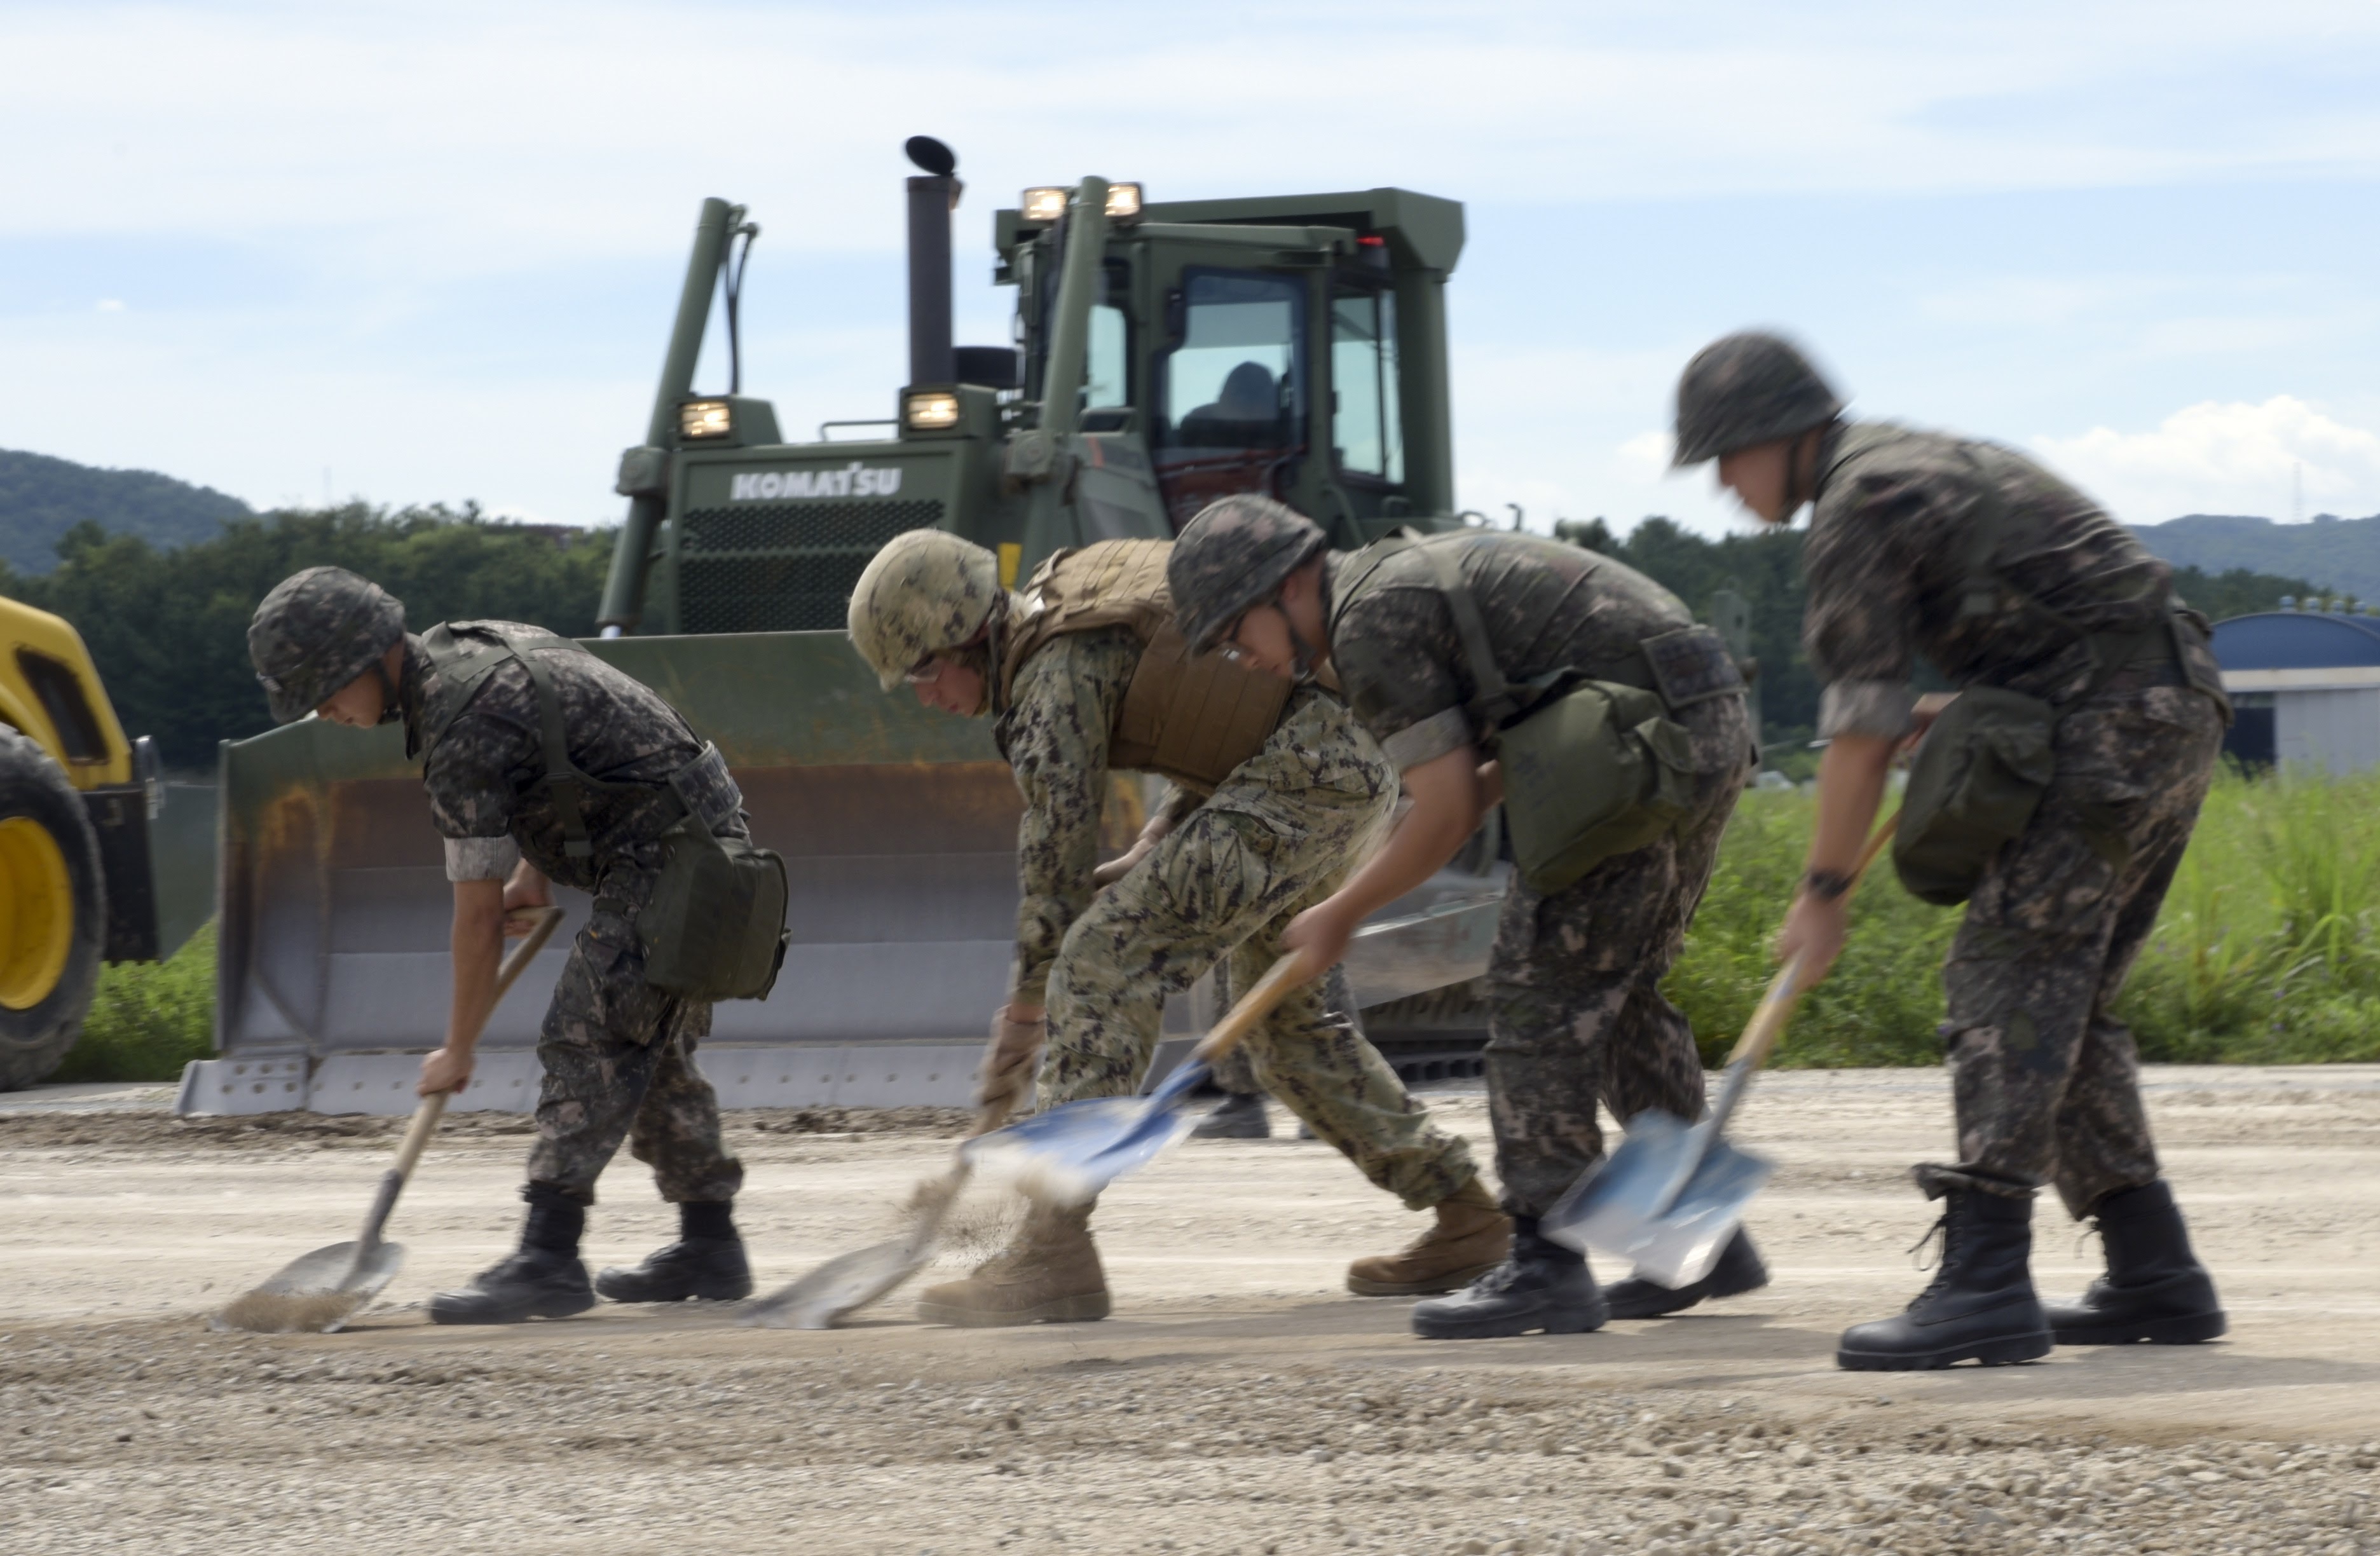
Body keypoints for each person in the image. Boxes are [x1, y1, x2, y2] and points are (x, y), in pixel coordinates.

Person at [1672, 330, 2231, 1370]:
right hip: (2172, 696)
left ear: (1773, 436)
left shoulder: (1854, 504)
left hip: (2106, 718)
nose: (1718, 482)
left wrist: (1823, 890)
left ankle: (1982, 1282)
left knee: (2004, 979)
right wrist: (1970, 702)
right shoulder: (1908, 459)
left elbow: (1856, 729)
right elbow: (2057, 607)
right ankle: (2152, 1266)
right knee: (2066, 998)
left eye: (1722, 456)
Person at [845, 530, 1504, 1325]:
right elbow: (1222, 702)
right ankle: (1467, 1215)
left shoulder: (1049, 678)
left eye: (922, 670)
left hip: (1308, 775)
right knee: (1287, 1031)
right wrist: (1161, 841)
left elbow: (1055, 865)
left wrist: (1024, 1012)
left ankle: (1053, 1251)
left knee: (1100, 962)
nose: (923, 695)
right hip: (1334, 762)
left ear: (964, 635)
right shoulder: (1069, 604)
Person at [1167, 496, 1762, 1340]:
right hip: (1697, 721)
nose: (1244, 659)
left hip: (1639, 734)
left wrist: (1340, 912)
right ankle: (1704, 1238)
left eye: (1238, 633)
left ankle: (1547, 1265)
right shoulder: (1386, 591)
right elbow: (1483, 779)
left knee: (1535, 1002)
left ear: (1293, 584)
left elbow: (1446, 813)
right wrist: (1359, 890)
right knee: (1615, 994)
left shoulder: (1368, 625)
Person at [247, 568, 757, 1324]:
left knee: (587, 1033)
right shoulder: (475, 648)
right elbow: (569, 756)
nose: (326, 713)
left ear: (369, 656)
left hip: (678, 866)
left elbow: (477, 921)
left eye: (326, 691)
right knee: (647, 1051)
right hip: (706, 852)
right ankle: (711, 1246)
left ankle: (548, 1257)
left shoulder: (460, 727)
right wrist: (535, 873)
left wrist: (456, 1049)